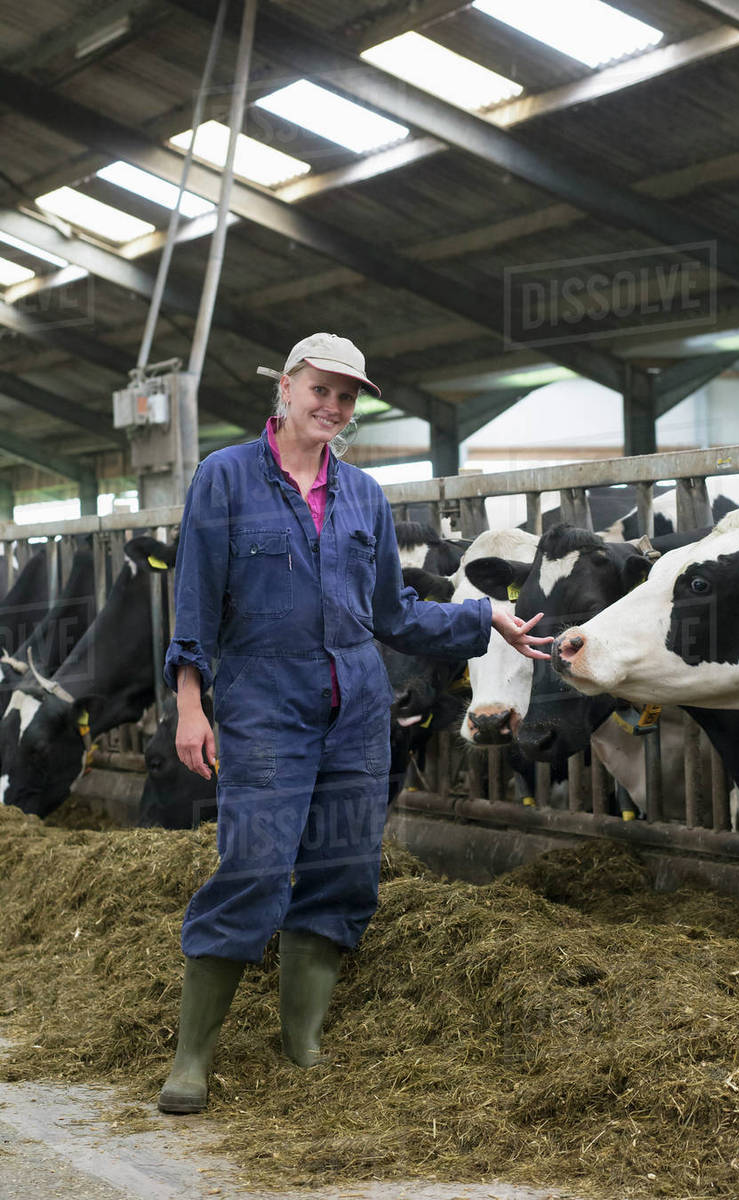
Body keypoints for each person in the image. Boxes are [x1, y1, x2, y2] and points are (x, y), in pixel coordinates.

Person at [158, 333, 552, 1114]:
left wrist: (486, 617)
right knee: (255, 868)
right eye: (321, 390)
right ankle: (191, 1058)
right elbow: (196, 603)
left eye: (347, 397)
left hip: (356, 708)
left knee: (344, 871)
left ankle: (301, 1041)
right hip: (264, 705)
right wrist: (191, 705)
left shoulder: (365, 495)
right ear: (287, 388)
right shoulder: (225, 477)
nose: (333, 407)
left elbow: (392, 613)